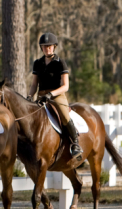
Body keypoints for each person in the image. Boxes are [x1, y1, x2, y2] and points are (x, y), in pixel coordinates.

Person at [27, 32, 83, 160]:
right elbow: (34, 84)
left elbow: (65, 86)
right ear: (41, 48)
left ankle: (75, 144)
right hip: (41, 96)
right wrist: (29, 96)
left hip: (57, 95)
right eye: (44, 46)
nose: (47, 48)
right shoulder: (37, 63)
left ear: (54, 47)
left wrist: (51, 94)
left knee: (64, 116)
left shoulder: (60, 63)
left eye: (49, 46)